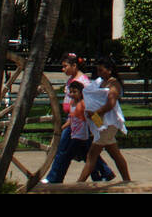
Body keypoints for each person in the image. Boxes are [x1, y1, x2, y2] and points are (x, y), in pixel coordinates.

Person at [42, 53, 114, 184]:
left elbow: (90, 108)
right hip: (74, 122)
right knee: (87, 153)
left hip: (79, 125)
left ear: (74, 66)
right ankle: (104, 172)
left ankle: (54, 178)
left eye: (65, 66)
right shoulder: (72, 80)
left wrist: (99, 126)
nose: (63, 69)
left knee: (64, 151)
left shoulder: (83, 83)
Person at [77, 57, 131, 182]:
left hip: (109, 122)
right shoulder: (100, 82)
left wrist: (95, 112)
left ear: (109, 70)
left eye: (101, 70)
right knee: (114, 153)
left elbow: (110, 104)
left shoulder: (114, 84)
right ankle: (127, 181)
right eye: (98, 71)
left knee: (92, 154)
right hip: (100, 120)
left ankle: (80, 183)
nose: (99, 73)